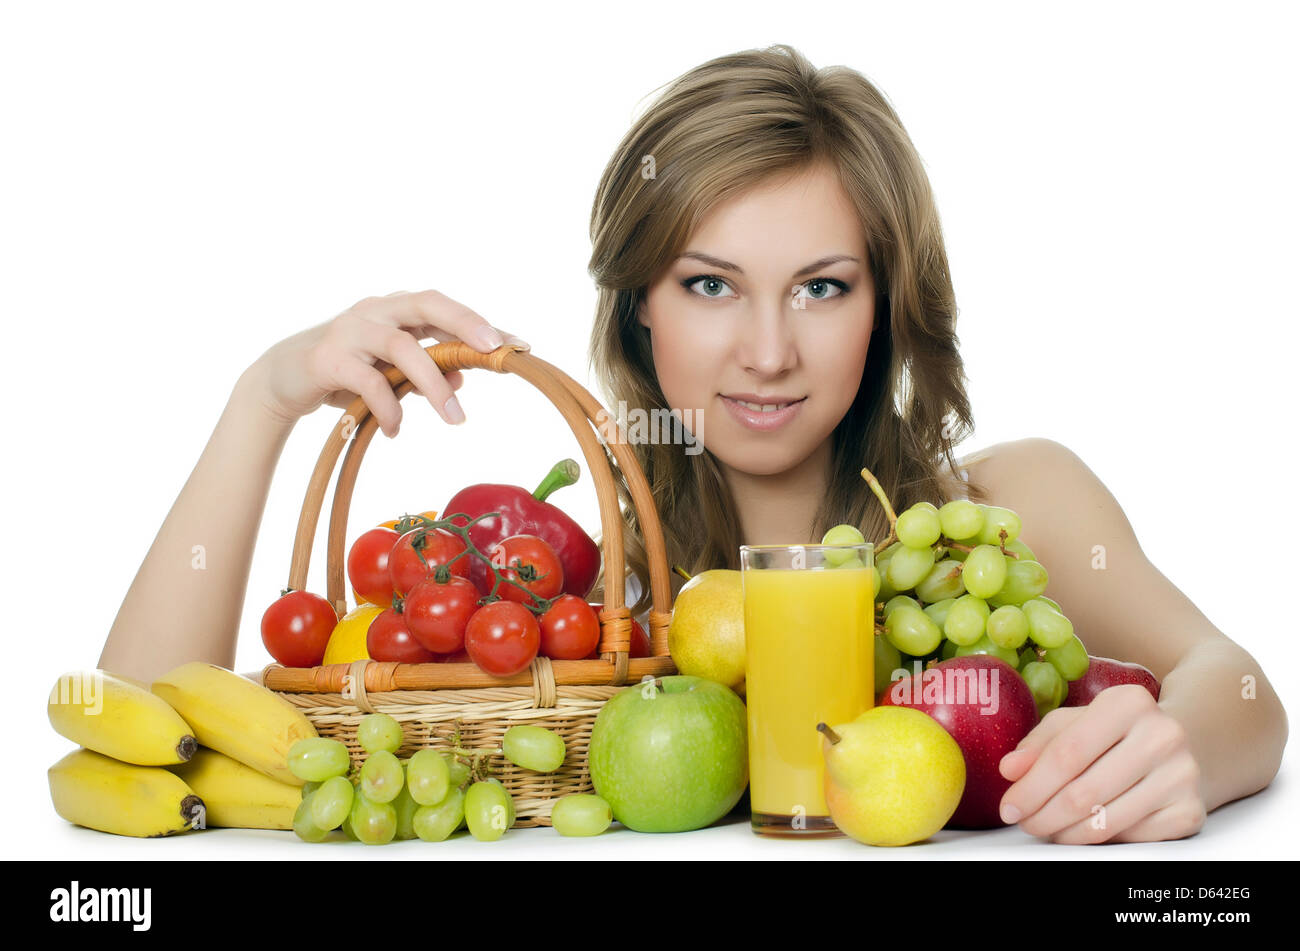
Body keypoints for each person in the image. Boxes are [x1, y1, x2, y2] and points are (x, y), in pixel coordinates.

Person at [99, 44, 1285, 845]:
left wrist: (1180, 743)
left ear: (885, 308)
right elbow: (140, 723)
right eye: (711, 283)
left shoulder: (1008, 503)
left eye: (821, 288)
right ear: (639, 307)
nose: (766, 353)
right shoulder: (564, 567)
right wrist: (263, 397)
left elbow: (1243, 687)